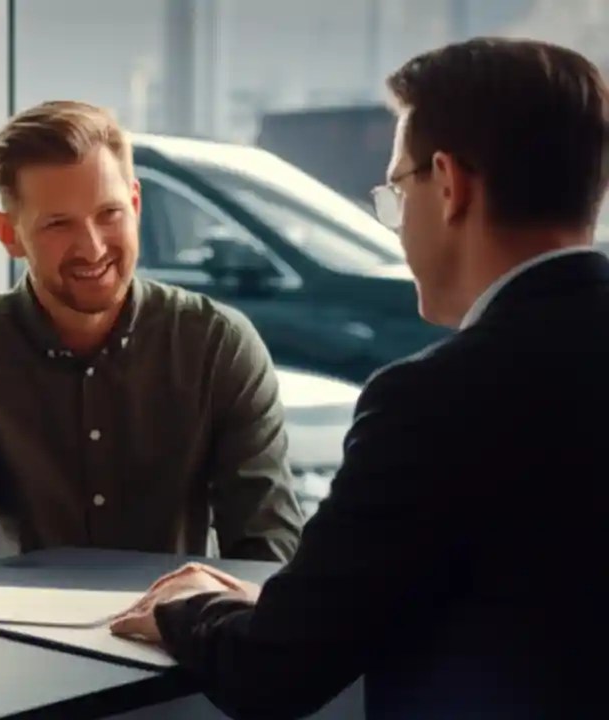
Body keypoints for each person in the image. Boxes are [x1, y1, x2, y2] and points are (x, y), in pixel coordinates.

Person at [110, 38, 609, 719]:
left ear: (451, 184)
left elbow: (275, 672)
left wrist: (185, 608)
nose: (397, 229)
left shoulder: (433, 403)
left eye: (397, 192)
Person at [0, 100, 305, 573]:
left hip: (183, 634)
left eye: (109, 213)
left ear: (135, 205)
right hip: (9, 637)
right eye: (58, 224)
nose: (92, 247)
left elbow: (267, 556)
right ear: (9, 234)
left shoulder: (217, 345)